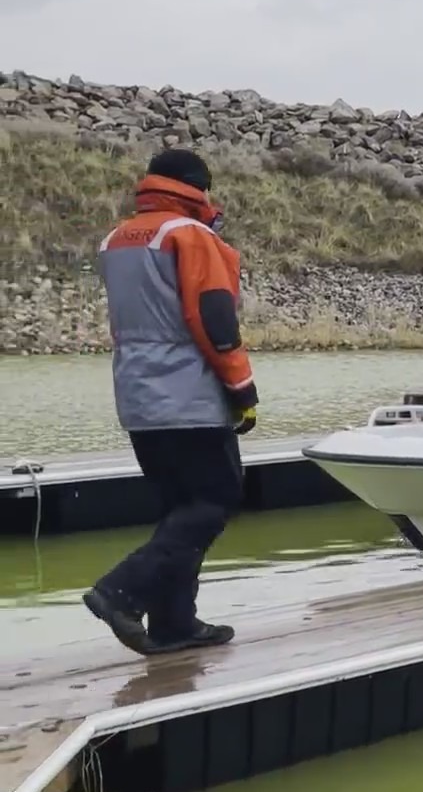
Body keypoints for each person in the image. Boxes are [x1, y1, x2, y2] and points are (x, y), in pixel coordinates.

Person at [82, 148, 259, 656]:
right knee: (214, 501)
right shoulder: (191, 235)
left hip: (137, 395)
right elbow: (214, 321)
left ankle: (174, 623)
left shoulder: (118, 238)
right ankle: (121, 590)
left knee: (180, 509)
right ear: (197, 188)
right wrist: (242, 389)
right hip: (189, 393)